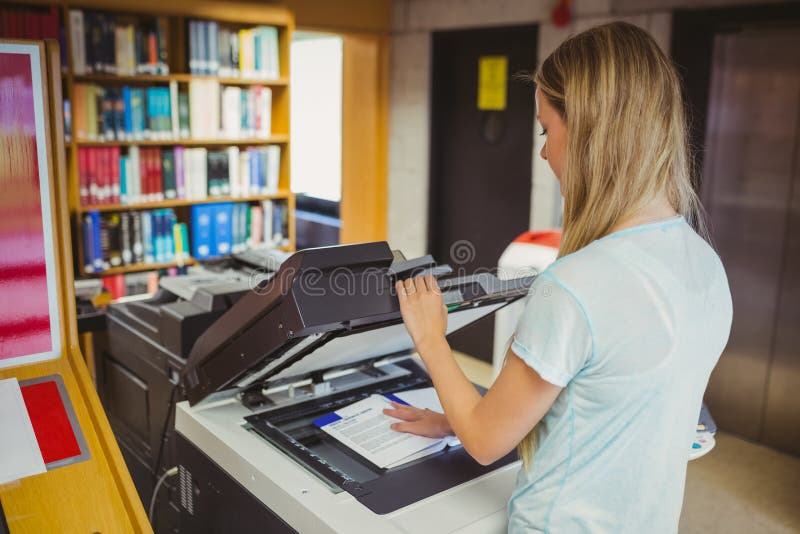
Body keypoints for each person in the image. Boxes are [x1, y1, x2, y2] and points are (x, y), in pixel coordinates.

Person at [385, 22, 733, 533]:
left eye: (547, 130)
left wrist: (431, 338)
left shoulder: (575, 285)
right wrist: (460, 415)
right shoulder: (705, 264)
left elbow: (484, 443)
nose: (544, 151)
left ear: (593, 131)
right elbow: (606, 406)